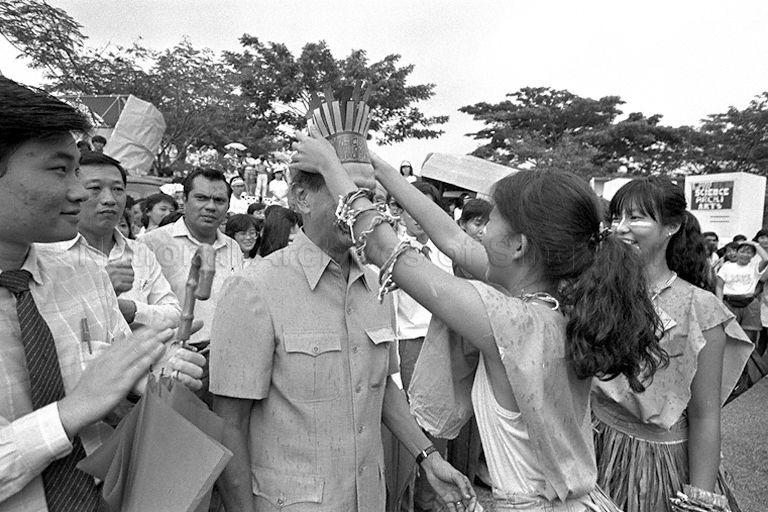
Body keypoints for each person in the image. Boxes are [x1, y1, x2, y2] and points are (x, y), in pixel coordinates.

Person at [289, 128, 668, 511]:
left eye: (493, 221)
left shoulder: (513, 322)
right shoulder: (556, 306)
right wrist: (382, 169)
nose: (483, 230)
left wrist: (328, 164)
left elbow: (385, 247)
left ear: (518, 245)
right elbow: (453, 240)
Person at [210, 164, 476, 512]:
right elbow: (229, 423)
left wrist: (427, 457)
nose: (358, 208)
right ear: (301, 197)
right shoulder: (254, 288)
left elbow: (380, 387)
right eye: (345, 189)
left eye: (369, 198)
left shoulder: (379, 285)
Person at [0, 76, 205, 512]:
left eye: (77, 170)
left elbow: (117, 382)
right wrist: (72, 411)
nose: (80, 192)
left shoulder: (84, 276)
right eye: (60, 170)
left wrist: (147, 379)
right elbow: (93, 394)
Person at [592, 177, 753, 512]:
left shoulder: (701, 308)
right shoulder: (595, 291)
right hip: (593, 448)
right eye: (615, 217)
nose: (621, 228)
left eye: (636, 217)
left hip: (658, 464)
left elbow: (705, 416)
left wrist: (701, 498)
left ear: (672, 226)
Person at [38, 151, 182, 331]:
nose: (109, 200)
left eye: (118, 189)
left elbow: (173, 314)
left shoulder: (139, 252)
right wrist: (103, 293)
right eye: (95, 188)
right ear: (72, 193)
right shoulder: (45, 253)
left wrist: (133, 310)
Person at [392, 181, 455, 512]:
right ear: (400, 212)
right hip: (408, 346)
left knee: (437, 427)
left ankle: (428, 502)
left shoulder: (447, 251)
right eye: (410, 207)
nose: (417, 216)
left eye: (424, 208)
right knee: (407, 431)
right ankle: (403, 501)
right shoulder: (389, 250)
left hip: (440, 345)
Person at [141, 168, 244, 345]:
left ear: (228, 206)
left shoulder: (233, 246)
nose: (211, 207)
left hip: (224, 352)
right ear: (184, 200)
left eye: (219, 200)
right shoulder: (151, 244)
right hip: (173, 355)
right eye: (201, 198)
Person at [716, 241, 768, 342]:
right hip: (729, 303)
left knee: (749, 337)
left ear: (753, 255)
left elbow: (766, 259)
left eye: (749, 252)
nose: (745, 255)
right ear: (737, 252)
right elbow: (719, 286)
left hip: (749, 304)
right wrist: (720, 303)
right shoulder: (727, 267)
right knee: (728, 334)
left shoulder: (754, 267)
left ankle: (748, 357)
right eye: (742, 251)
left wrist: (753, 243)